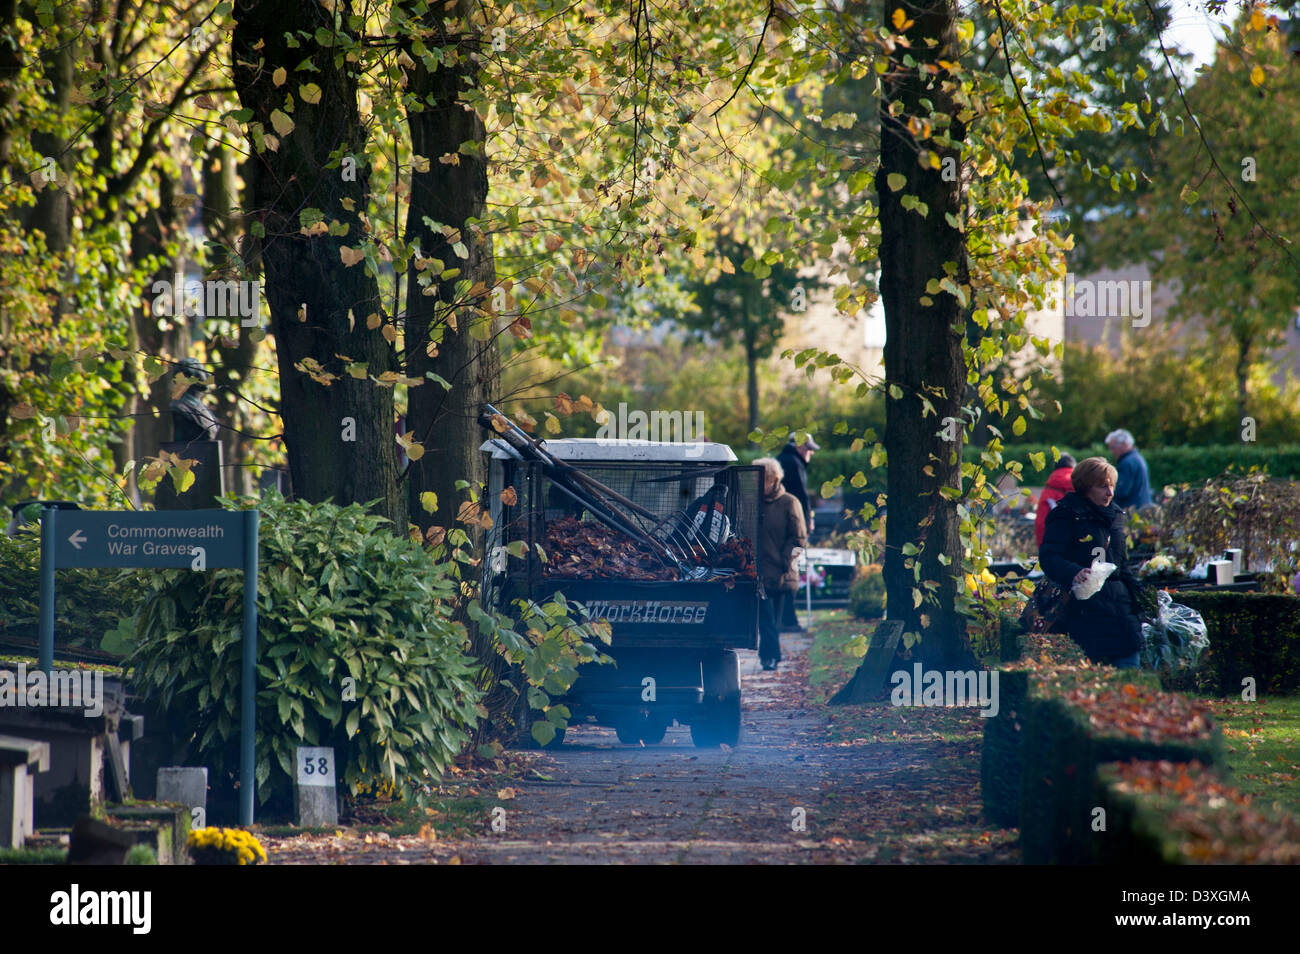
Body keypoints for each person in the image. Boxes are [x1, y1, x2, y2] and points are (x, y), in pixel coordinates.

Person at [1038, 457, 1145, 668]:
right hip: (1084, 610)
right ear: (1086, 487)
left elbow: (1121, 565)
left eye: (1112, 485)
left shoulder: (1114, 515)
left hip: (1120, 610)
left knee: (1130, 677)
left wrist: (1142, 596)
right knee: (1091, 682)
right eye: (1103, 486)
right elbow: (1049, 556)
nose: (1110, 492)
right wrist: (1073, 572)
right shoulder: (1066, 515)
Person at [755, 457, 807, 671]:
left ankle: (770, 656)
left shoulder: (790, 502)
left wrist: (786, 562)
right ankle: (769, 657)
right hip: (758, 573)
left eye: (762, 479)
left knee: (771, 621)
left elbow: (798, 539)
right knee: (766, 619)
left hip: (780, 573)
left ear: (773, 479)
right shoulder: (753, 502)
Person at [777, 434, 817, 630]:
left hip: (777, 527)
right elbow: (801, 495)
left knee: (780, 571)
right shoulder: (795, 463)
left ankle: (781, 618)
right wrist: (808, 520)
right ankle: (789, 620)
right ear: (800, 447)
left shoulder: (780, 460)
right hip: (793, 527)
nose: (811, 453)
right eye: (809, 449)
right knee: (791, 570)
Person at [1034, 453, 1076, 547]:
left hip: (1053, 544)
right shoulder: (1081, 485)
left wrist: (1043, 549)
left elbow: (1041, 524)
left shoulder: (1049, 489)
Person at [1105, 429, 1152, 511]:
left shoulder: (1128, 463)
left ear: (1123, 444)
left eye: (1113, 448)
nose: (1112, 452)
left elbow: (1121, 491)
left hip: (1133, 511)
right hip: (1142, 507)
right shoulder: (1137, 458)